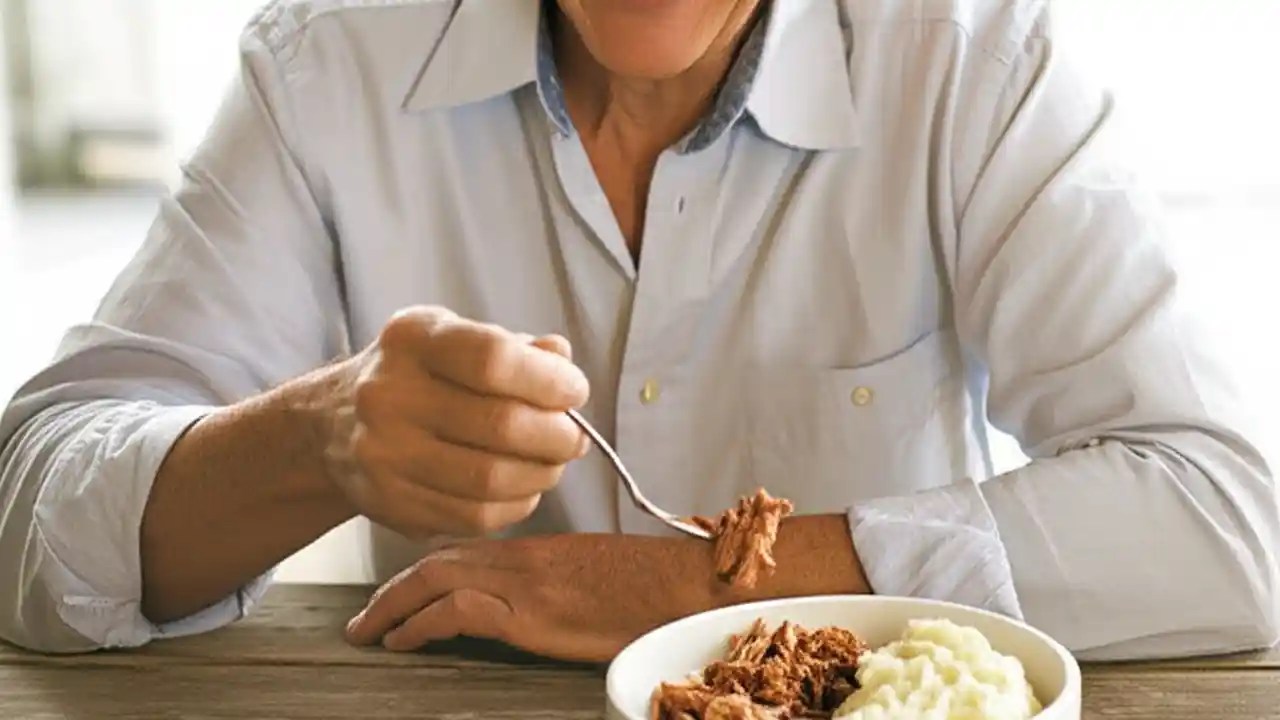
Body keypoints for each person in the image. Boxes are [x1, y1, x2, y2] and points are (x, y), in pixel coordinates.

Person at [1, 0, 1276, 661]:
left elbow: (1224, 521)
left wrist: (678, 590)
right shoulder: (325, 64)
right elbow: (34, 516)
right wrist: (317, 439)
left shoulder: (971, 58)